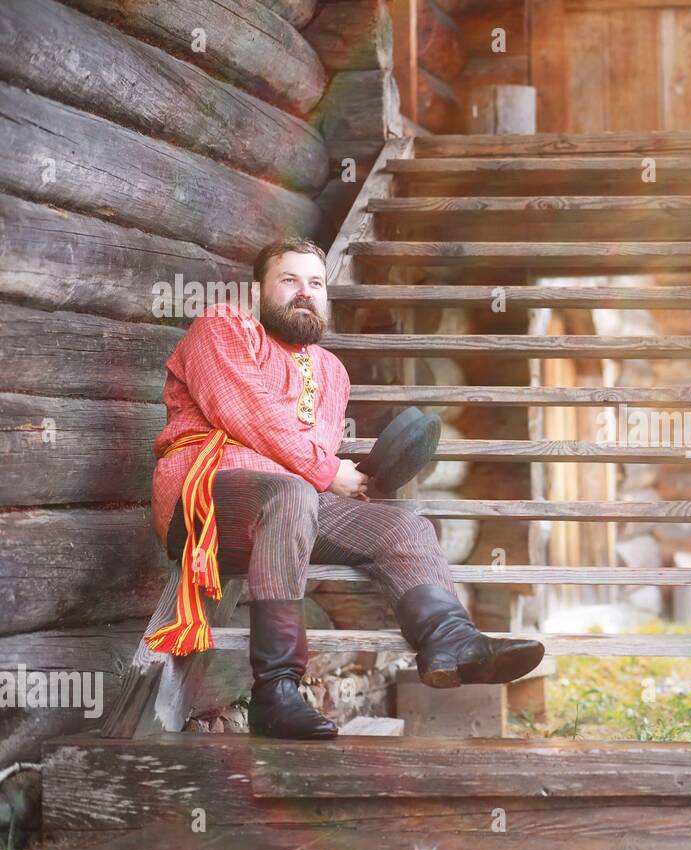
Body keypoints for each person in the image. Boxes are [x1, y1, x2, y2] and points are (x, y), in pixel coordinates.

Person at [147, 237, 543, 739]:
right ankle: (275, 690)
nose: (304, 293)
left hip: (293, 503)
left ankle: (449, 641)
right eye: (288, 280)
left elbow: (308, 462)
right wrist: (327, 471)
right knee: (288, 496)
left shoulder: (332, 373)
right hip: (205, 499)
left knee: (403, 523)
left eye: (315, 283)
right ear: (258, 290)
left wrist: (349, 484)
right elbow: (248, 413)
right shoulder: (224, 326)